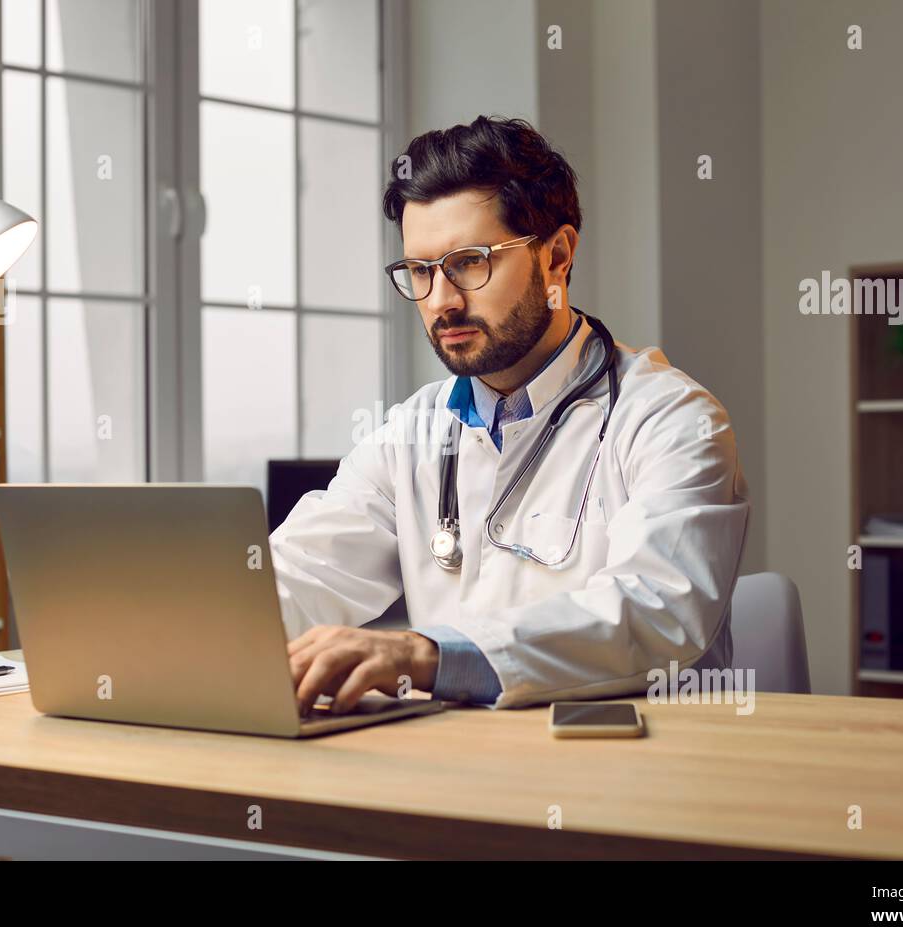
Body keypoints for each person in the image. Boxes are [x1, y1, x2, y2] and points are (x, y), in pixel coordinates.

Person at [272, 115, 749, 714]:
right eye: (420, 272)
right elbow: (301, 574)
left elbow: (659, 612)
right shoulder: (408, 436)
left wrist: (426, 656)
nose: (441, 301)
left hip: (637, 767)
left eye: (469, 263)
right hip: (465, 768)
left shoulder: (671, 419)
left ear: (556, 257)